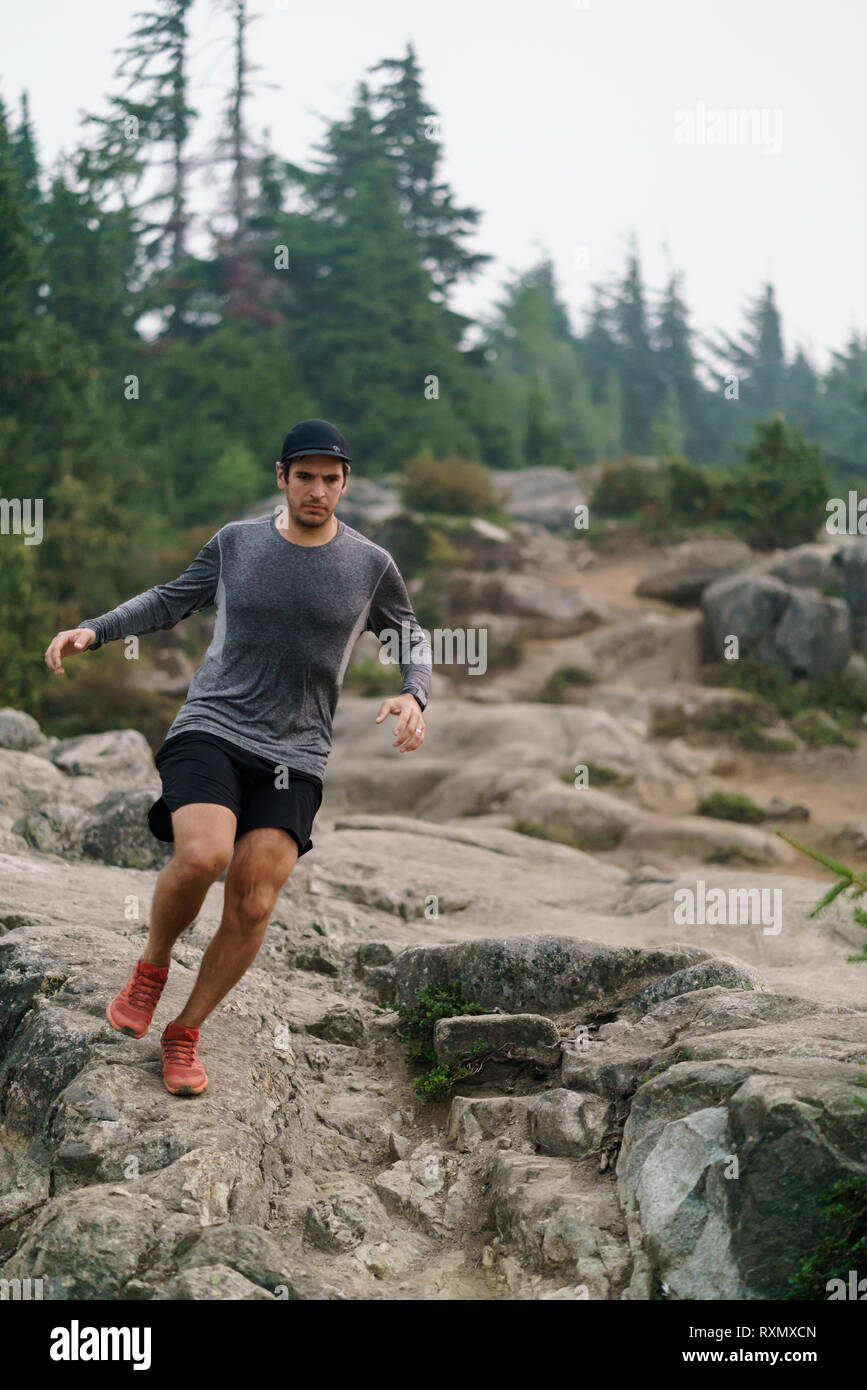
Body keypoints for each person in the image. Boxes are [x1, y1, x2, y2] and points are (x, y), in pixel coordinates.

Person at [44, 419, 431, 1096]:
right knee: (202, 856)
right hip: (214, 727)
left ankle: (184, 1031)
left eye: (331, 479)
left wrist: (413, 694)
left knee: (253, 902)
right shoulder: (238, 543)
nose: (318, 490)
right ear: (281, 477)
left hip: (296, 751)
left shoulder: (369, 564)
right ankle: (152, 968)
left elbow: (409, 634)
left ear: (345, 484)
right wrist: (96, 630)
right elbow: (172, 599)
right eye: (304, 476)